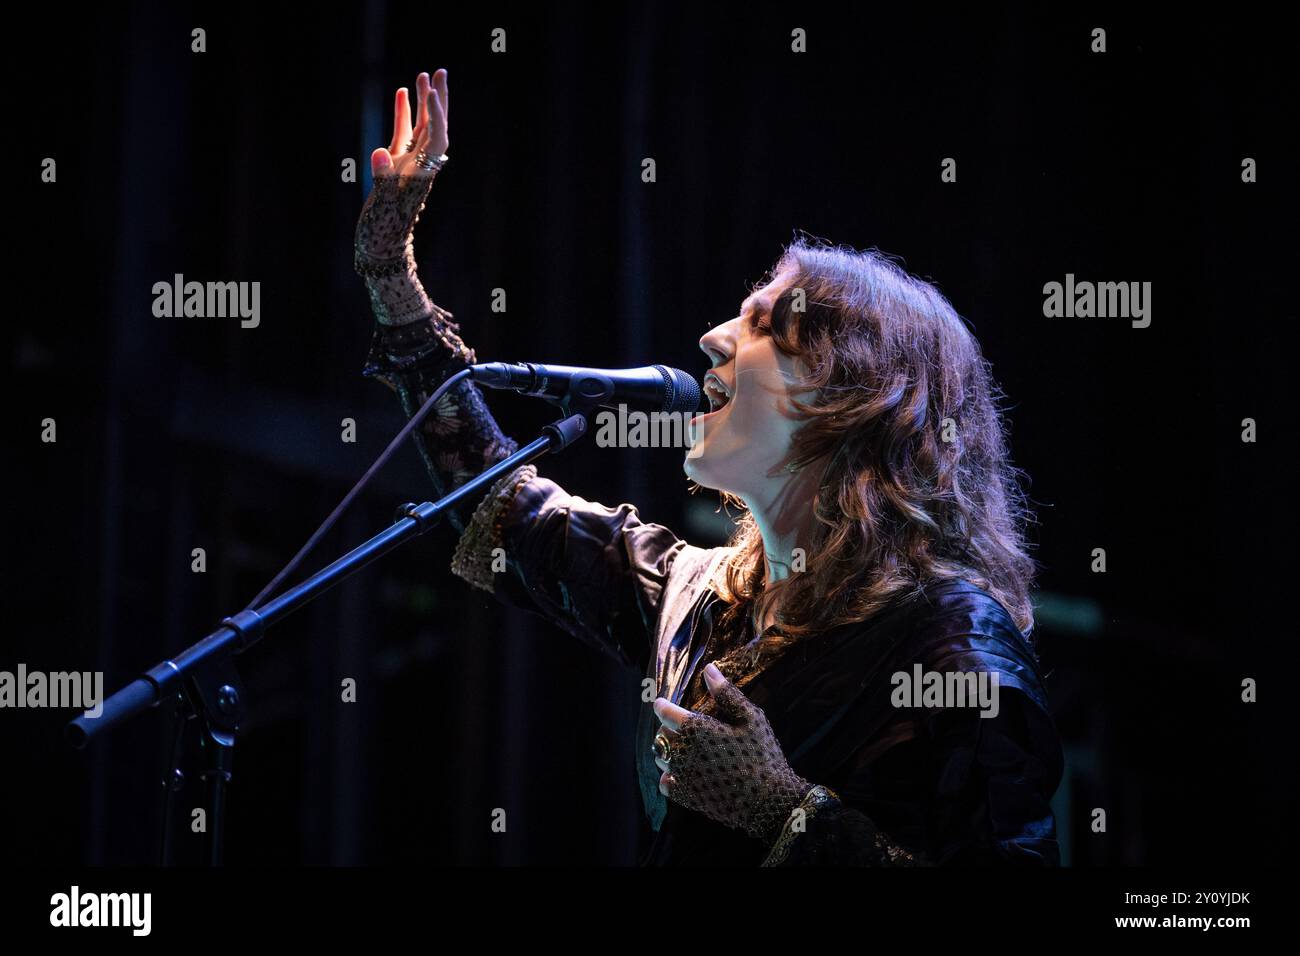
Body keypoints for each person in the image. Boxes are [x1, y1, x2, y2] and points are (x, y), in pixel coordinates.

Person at [353, 69, 1063, 866]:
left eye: (763, 324)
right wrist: (393, 281)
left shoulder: (953, 642)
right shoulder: (697, 599)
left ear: (853, 394)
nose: (714, 338)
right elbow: (506, 508)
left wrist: (786, 816)